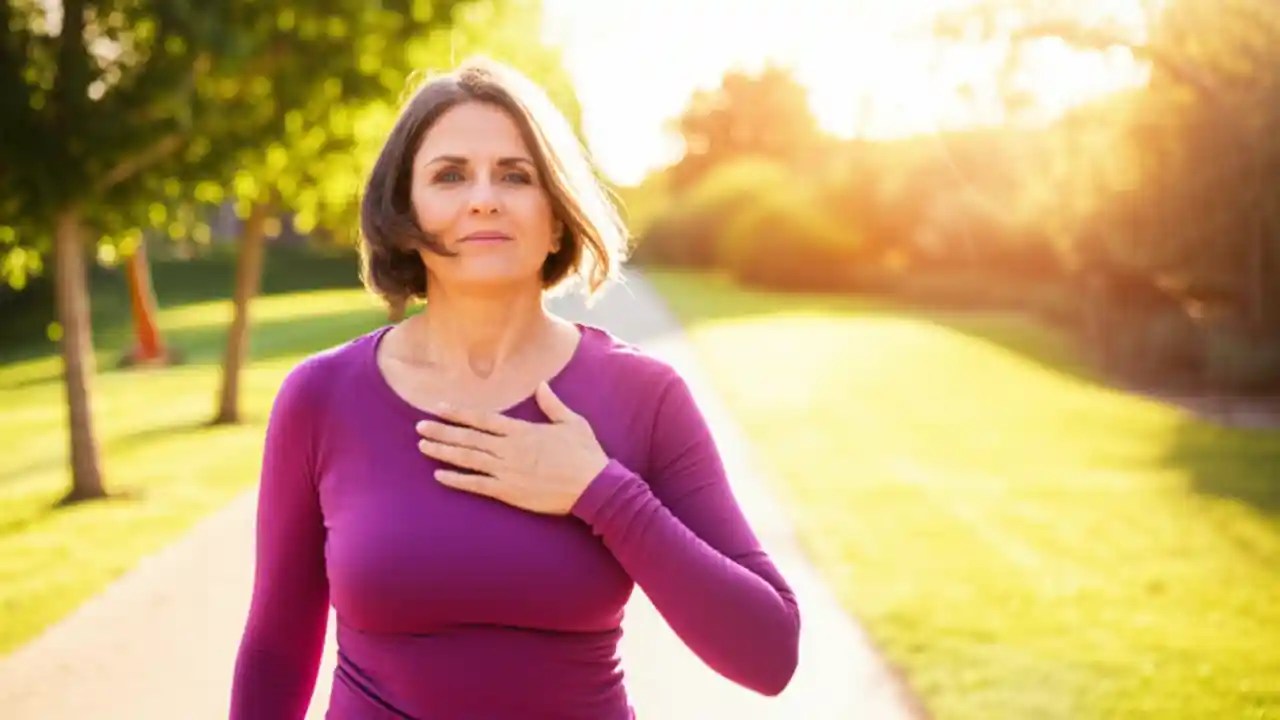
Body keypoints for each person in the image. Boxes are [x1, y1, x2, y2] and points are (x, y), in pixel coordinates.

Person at [229, 56, 800, 720]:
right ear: (404, 215)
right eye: (449, 175)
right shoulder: (320, 399)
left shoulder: (645, 395)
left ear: (557, 216)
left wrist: (603, 493)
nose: (484, 198)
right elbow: (276, 650)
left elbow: (769, 654)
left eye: (515, 175)